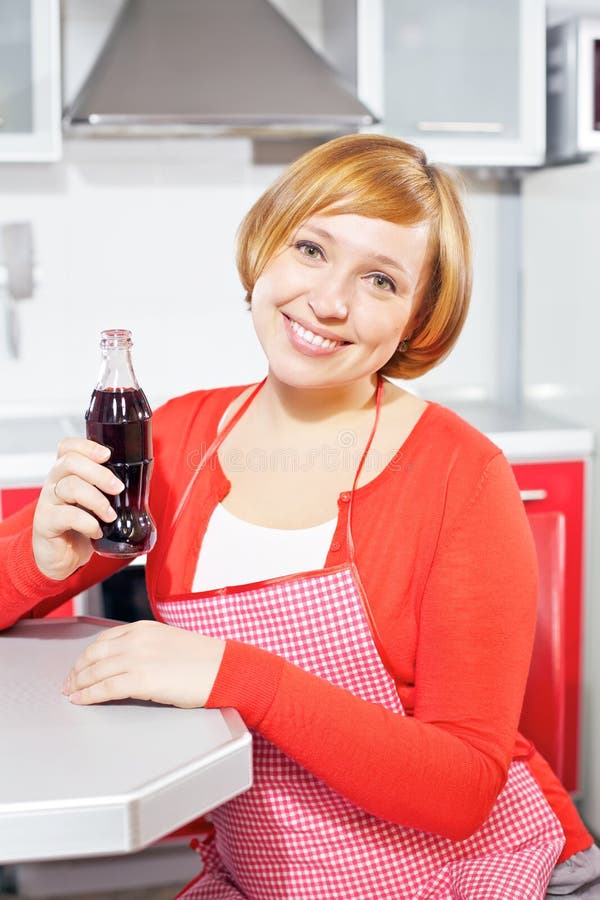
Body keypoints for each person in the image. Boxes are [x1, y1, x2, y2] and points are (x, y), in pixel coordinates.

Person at [0, 134, 598, 899]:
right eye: (311, 249)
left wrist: (237, 676)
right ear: (264, 251)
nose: (329, 302)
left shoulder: (461, 474)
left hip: (478, 873)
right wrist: (43, 560)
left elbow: (461, 791)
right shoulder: (180, 442)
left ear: (417, 320)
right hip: (271, 876)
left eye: (380, 280)